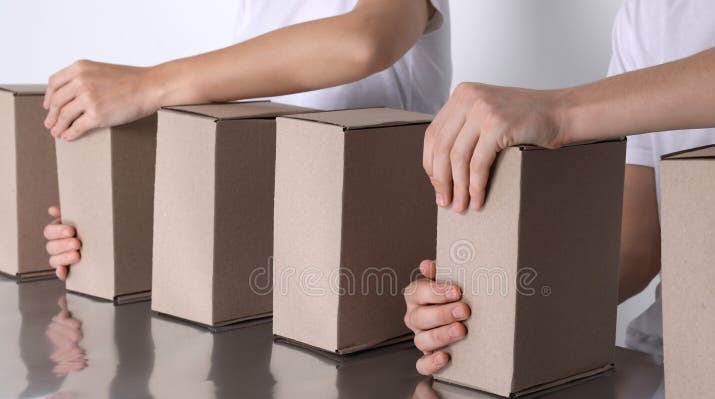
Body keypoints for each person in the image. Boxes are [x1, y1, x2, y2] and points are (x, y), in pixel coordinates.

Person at [406, 1, 715, 374]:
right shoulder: (649, 12)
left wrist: (561, 112)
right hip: (682, 366)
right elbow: (637, 246)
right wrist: (506, 305)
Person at [43, 0, 451, 280]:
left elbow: (364, 43)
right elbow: (256, 150)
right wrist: (117, 222)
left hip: (383, 283)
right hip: (272, 285)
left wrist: (147, 84)